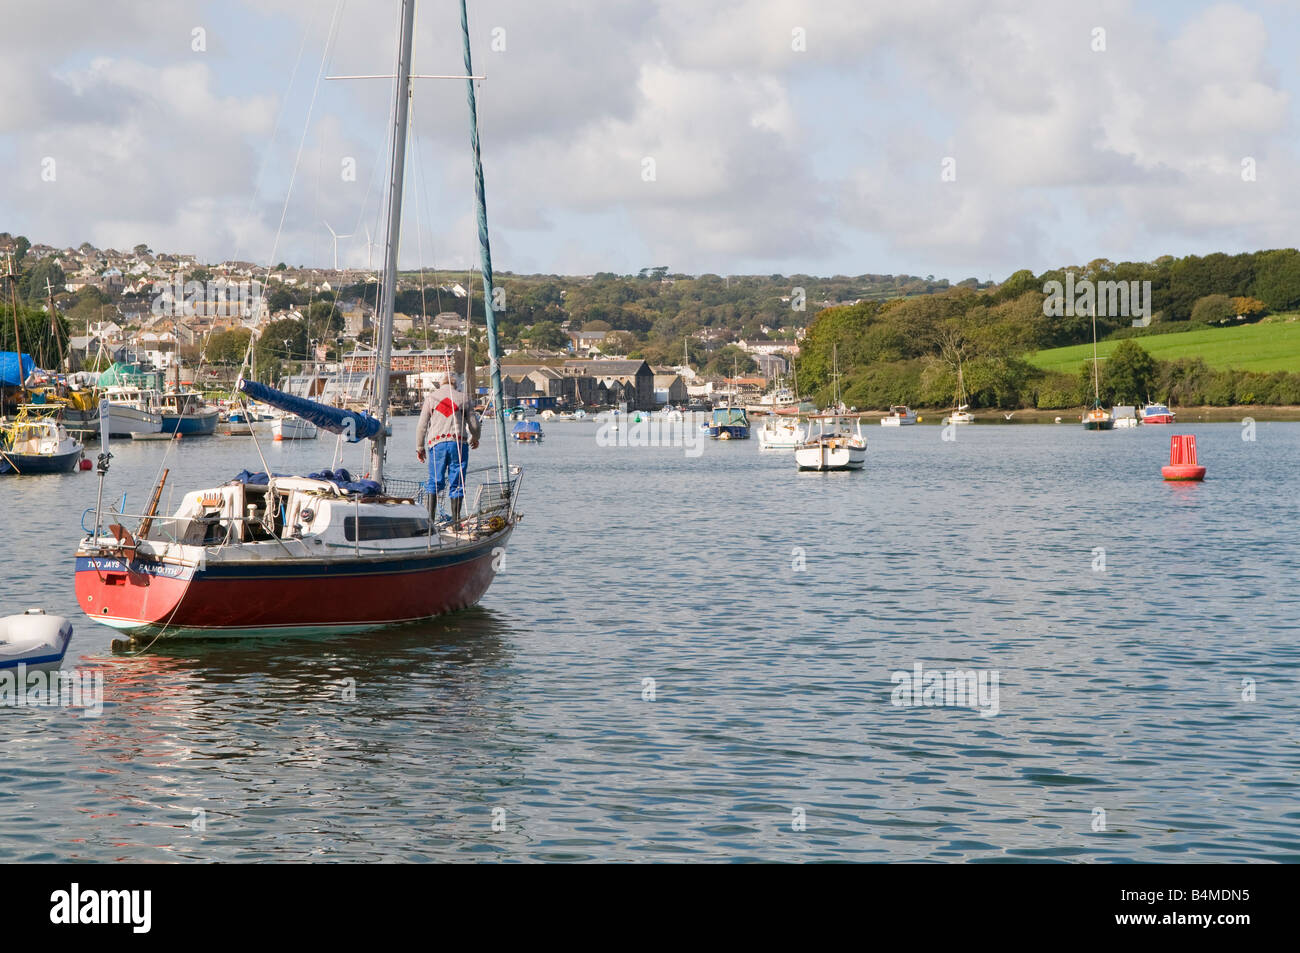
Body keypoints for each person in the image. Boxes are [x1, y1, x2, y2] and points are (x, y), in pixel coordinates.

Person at [415, 370, 480, 526]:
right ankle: (456, 521)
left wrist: (419, 447)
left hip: (436, 444)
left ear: (441, 383)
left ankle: (430, 521)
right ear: (455, 384)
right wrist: (475, 438)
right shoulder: (463, 398)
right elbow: (474, 424)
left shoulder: (431, 398)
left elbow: (422, 426)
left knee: (435, 481)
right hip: (458, 443)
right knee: (457, 481)